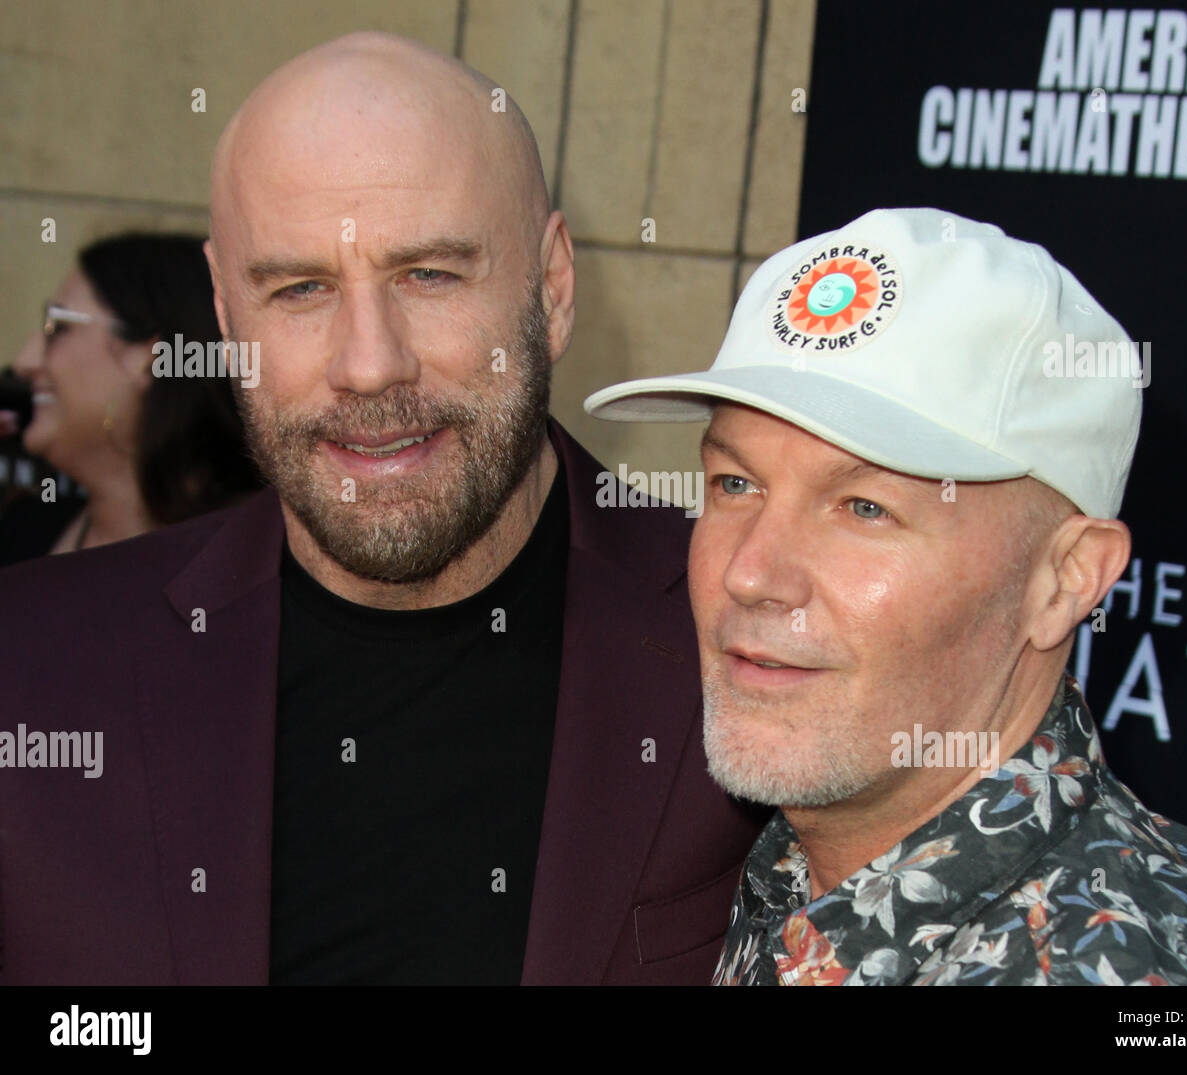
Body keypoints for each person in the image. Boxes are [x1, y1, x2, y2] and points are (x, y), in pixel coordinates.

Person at [0, 33, 765, 985]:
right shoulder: (28, 662)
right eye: (301, 288)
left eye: (429, 275)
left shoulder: (753, 637)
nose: (370, 363)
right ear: (228, 320)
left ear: (552, 287)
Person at [585, 206, 1187, 986]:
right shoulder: (795, 859)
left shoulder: (1130, 970)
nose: (752, 573)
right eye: (735, 482)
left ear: (1065, 580)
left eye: (865, 508)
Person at [0, 233, 262, 565]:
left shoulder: (243, 567)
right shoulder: (26, 532)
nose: (24, 363)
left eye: (59, 327)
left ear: (149, 357)